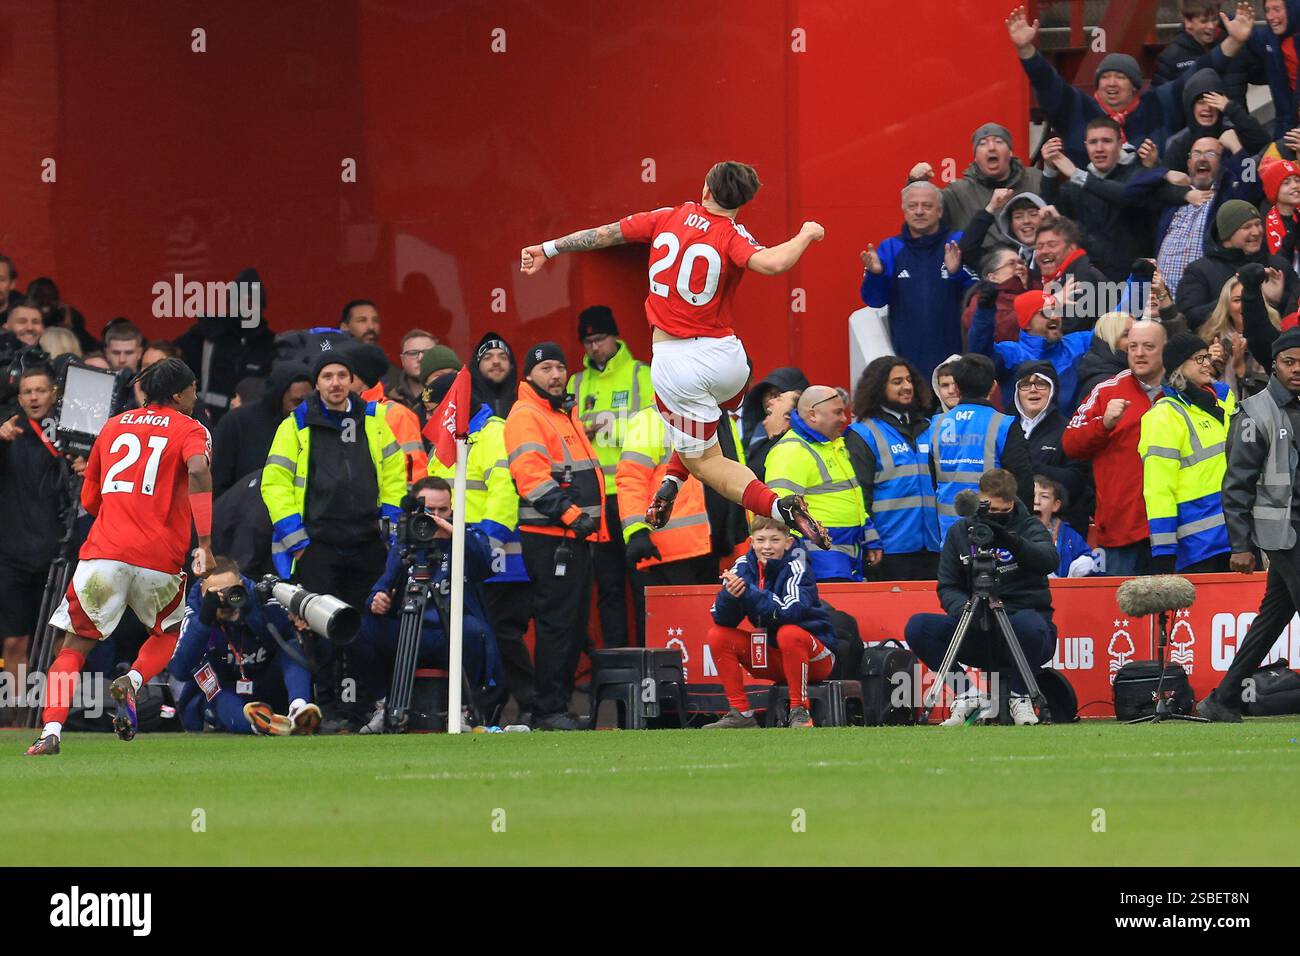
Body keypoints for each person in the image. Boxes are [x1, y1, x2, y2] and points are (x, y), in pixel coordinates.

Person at [518, 160, 830, 549]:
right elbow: (774, 262)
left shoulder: (669, 217)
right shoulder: (733, 233)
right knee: (697, 420)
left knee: (707, 460)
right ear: (743, 201)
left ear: (705, 189)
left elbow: (605, 234)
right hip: (730, 359)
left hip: (676, 360)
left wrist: (548, 248)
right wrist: (807, 234)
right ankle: (672, 478)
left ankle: (779, 506)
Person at [26, 359, 214, 755]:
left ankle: (51, 732)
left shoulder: (112, 426)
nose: (196, 396)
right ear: (179, 394)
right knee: (166, 633)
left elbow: (90, 500)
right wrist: (206, 543)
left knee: (72, 648)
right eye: (194, 389)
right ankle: (133, 679)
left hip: (104, 554)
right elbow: (198, 469)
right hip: (159, 559)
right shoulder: (191, 429)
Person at [261, 350, 406, 731]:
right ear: (317, 382)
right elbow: (274, 484)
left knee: (366, 630)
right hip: (317, 547)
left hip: (366, 544)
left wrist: (388, 524)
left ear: (353, 380)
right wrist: (299, 542)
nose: (336, 383)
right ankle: (327, 708)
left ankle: (363, 708)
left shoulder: (375, 420)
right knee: (319, 634)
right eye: (328, 376)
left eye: (343, 375)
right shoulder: (294, 424)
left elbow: (394, 475)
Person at [1005, 3, 1252, 165]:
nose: (1111, 83)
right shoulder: (1079, 109)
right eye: (1104, 78)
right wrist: (1026, 50)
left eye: (1120, 77)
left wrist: (1233, 42)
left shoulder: (1157, 105)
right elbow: (1047, 82)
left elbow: (1198, 73)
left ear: (1134, 85)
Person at [504, 342, 607, 731]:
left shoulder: (561, 412)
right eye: (546, 367)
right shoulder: (527, 414)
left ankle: (557, 706)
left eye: (560, 367)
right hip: (553, 536)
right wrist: (571, 514)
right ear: (530, 376)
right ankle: (548, 709)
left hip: (575, 536)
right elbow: (530, 477)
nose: (556, 374)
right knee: (557, 625)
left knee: (572, 625)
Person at [1198, 327, 1300, 721]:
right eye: (1289, 362)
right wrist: (1241, 544)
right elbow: (1236, 484)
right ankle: (1221, 699)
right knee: (1273, 615)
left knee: (1273, 617)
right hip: (1282, 532)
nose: (1295, 370)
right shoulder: (1254, 411)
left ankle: (1222, 699)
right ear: (1274, 364)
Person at [905, 468, 1058, 726]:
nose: (995, 517)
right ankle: (968, 694)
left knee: (1030, 625)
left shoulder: (1029, 527)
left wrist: (1011, 541)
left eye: (1002, 511)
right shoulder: (961, 532)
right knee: (919, 627)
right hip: (976, 626)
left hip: (1021, 629)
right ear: (978, 501)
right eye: (990, 510)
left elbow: (1048, 560)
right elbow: (948, 586)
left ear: (1013, 502)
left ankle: (1020, 696)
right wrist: (967, 611)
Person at [425, 374, 533, 717]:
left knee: (502, 635)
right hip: (458, 554)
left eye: (434, 409)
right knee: (475, 634)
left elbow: (504, 491)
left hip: (495, 555)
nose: (430, 417)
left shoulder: (493, 433)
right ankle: (484, 706)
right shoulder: (449, 437)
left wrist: (484, 544)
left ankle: (529, 704)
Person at [355, 477, 500, 733]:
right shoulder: (405, 540)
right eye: (428, 511)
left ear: (452, 508)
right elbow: (383, 584)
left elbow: (486, 565)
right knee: (365, 627)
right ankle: (384, 705)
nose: (434, 517)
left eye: (442, 511)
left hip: (452, 632)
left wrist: (454, 534)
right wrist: (377, 599)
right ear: (415, 510)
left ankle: (464, 710)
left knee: (474, 630)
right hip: (410, 629)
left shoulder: (465, 535)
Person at [569, 305, 655, 648]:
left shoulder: (640, 375)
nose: (594, 347)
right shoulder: (577, 382)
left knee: (642, 584)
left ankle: (649, 661)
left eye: (600, 339)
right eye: (587, 341)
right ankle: (618, 661)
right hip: (595, 499)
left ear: (615, 337)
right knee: (608, 587)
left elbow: (655, 425)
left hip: (634, 496)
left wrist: (610, 427)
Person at [703, 516, 839, 730]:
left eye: (774, 540)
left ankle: (799, 712)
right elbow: (721, 618)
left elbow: (791, 612)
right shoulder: (742, 565)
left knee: (789, 633)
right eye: (760, 540)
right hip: (776, 657)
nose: (767, 547)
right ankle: (741, 714)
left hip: (816, 659)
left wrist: (750, 593)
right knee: (717, 635)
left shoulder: (798, 564)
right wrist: (730, 596)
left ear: (788, 542)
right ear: (751, 542)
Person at [168, 555, 319, 735]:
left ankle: (297, 709)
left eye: (232, 591)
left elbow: (301, 645)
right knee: (209, 681)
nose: (224, 600)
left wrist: (250, 611)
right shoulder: (191, 610)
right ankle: (258, 725)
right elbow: (179, 671)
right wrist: (204, 622)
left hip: (266, 680)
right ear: (203, 590)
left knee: (292, 646)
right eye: (217, 594)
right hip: (225, 691)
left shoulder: (261, 597)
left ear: (241, 584)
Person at [1064, 321, 1168, 575]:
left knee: (1176, 611)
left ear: (1165, 350)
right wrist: (1104, 424)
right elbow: (1070, 444)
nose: (1139, 353)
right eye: (1133, 346)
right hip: (1122, 530)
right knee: (1122, 613)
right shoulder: (1107, 391)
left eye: (1148, 346)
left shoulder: (1183, 392)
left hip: (1174, 528)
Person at [0, 367, 72, 726]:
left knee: (60, 641)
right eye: (27, 391)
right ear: (18, 398)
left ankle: (55, 714)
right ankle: (15, 714)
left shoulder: (69, 437)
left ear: (53, 394)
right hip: (12, 555)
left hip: (57, 555)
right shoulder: (8, 435)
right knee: (15, 642)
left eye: (40, 390)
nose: (33, 398)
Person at [1040, 123, 1193, 282]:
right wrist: (1050, 170)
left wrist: (1077, 174)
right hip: (1089, 284)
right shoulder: (1075, 185)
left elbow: (1124, 194)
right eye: (1093, 142)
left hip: (1135, 283)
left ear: (1120, 144)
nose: (1099, 148)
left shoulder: (1139, 177)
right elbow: (1050, 213)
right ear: (1085, 146)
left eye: (1106, 141)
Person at [616, 403, 716, 645]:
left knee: (705, 631)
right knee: (674, 632)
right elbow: (631, 478)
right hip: (670, 549)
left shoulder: (714, 417)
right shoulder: (650, 420)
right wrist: (636, 530)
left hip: (713, 547)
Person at [1138, 332, 1236, 573]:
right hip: (1198, 547)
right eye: (1198, 358)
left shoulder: (1225, 401)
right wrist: (1163, 551)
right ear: (1179, 367)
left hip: (1240, 536)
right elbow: (1159, 489)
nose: (1207, 364)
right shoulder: (1163, 416)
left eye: (1207, 357)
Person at [861, 180, 977, 379]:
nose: (919, 211)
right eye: (913, 206)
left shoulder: (956, 242)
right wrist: (876, 275)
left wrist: (957, 272)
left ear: (940, 211)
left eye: (927, 206)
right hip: (908, 365)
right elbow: (875, 300)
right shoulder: (890, 248)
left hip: (956, 364)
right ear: (904, 211)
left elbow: (976, 294)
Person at [764, 385, 878, 582]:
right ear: (813, 415)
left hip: (844, 552)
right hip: (819, 560)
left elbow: (851, 495)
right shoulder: (791, 451)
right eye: (838, 412)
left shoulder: (832, 445)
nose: (844, 419)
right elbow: (781, 514)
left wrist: (869, 533)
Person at [845, 356, 941, 581]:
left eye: (909, 380)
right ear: (879, 388)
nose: (907, 387)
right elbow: (860, 495)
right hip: (888, 548)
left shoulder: (931, 428)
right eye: (897, 382)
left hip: (934, 545)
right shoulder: (862, 434)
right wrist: (868, 539)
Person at [930, 353, 1034, 539]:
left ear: (958, 387)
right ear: (993, 386)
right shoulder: (1003, 424)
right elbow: (1022, 481)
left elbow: (932, 477)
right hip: (994, 531)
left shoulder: (936, 424)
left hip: (949, 531)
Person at [906, 122, 1043, 259]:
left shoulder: (1034, 179)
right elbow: (925, 214)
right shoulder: (958, 192)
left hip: (1033, 263)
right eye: (982, 143)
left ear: (1010, 152)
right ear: (975, 157)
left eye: (999, 141)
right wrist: (915, 181)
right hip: (980, 270)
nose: (991, 148)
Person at [1156, 133, 1261, 295]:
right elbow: (1131, 189)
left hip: (1203, 296)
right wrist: (1163, 173)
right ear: (1188, 163)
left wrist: (1237, 148)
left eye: (1211, 153)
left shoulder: (1226, 197)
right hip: (1161, 297)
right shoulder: (1172, 196)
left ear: (1221, 163)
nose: (1202, 158)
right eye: (1196, 153)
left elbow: (1253, 186)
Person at [1176, 199, 1300, 330]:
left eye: (1258, 224)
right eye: (1247, 227)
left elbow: (1295, 312)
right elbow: (1189, 317)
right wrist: (1237, 299)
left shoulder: (1278, 266)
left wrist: (1277, 300)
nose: (1256, 232)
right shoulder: (1200, 270)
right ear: (1226, 234)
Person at [174, 267, 277, 424]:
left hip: (251, 423)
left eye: (251, 302)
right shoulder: (206, 335)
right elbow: (172, 364)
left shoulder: (270, 344)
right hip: (204, 421)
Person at [969, 287, 1093, 409]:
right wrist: (984, 313)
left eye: (1057, 310)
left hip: (1070, 427)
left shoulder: (1078, 343)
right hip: (1023, 428)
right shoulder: (1012, 354)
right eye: (1046, 312)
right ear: (1026, 323)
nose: (1055, 317)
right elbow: (980, 356)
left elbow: (1109, 328)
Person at [1010, 361, 1094, 537]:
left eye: (1041, 384)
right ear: (1017, 392)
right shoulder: (1005, 427)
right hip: (1013, 527)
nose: (1033, 389)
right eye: (1025, 384)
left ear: (1053, 390)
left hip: (1061, 532)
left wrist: (1029, 466)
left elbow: (1077, 481)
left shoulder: (1070, 430)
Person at [210, 362, 312, 497]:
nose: (303, 409)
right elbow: (217, 481)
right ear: (278, 397)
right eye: (296, 402)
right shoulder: (237, 422)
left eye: (308, 402)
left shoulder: (316, 425)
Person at [1153, 2, 1265, 108]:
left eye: (1214, 19)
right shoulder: (1170, 57)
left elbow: (1260, 76)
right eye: (1204, 21)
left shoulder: (1236, 45)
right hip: (1195, 126)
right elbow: (1161, 100)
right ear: (1188, 22)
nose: (1211, 26)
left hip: (1235, 123)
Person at [1163, 68, 1270, 174]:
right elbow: (1165, 187)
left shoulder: (1234, 134)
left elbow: (1251, 181)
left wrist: (1237, 149)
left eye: (1213, 102)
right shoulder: (1178, 145)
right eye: (1201, 102)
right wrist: (1182, 190)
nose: (1208, 108)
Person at [1198, 275, 1278, 398]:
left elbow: (1276, 393)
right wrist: (1211, 367)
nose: (1244, 305)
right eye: (1237, 300)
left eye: (1247, 299)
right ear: (1227, 306)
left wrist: (1242, 369)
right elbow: (1197, 390)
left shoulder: (1274, 339)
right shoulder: (1210, 337)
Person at [1033, 216, 1109, 331]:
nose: (1044, 251)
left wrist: (1050, 302)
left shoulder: (1083, 278)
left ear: (1072, 248)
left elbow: (1069, 330)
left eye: (1052, 245)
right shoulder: (1048, 280)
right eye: (1039, 246)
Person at [1034, 476, 1097, 577]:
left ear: (1055, 505)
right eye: (1031, 495)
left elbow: (1094, 560)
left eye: (1044, 496)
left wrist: (1085, 563)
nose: (1036, 501)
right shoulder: (1014, 532)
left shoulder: (1068, 535)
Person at [1076, 310, 1135, 401]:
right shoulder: (1103, 382)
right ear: (1110, 338)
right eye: (1126, 335)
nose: (1135, 340)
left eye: (1136, 333)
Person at [468, 331, 519, 419]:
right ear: (477, 366)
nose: (496, 362)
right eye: (487, 357)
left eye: (503, 357)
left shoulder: (522, 403)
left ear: (511, 365)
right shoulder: (466, 404)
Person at [1262, 157, 1300, 271]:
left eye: (1297, 180)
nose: (1295, 186)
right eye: (1286, 183)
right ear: (1274, 189)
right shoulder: (1264, 224)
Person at [388, 328, 438, 412]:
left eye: (427, 353)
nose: (420, 358)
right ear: (402, 360)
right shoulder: (389, 401)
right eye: (413, 353)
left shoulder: (451, 396)